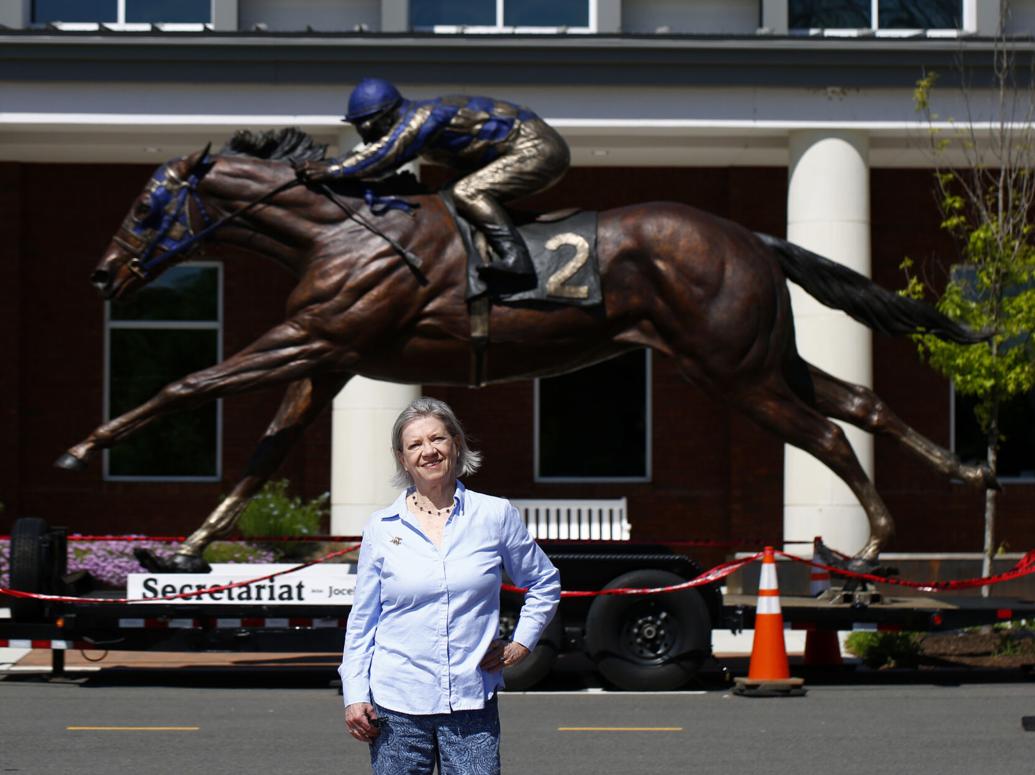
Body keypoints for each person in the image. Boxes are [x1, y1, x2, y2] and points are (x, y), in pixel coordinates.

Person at [340, 396, 561, 774]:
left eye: (437, 438)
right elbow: (363, 620)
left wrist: (521, 643)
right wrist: (355, 694)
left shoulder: (494, 515)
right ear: (402, 458)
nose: (428, 451)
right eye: (415, 444)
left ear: (456, 444)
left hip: (471, 701)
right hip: (397, 705)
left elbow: (544, 581)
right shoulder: (381, 528)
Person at [296, 77, 571, 292]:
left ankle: (516, 259)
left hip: (538, 149)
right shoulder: (419, 117)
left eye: (366, 127)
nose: (365, 136)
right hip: (517, 148)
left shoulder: (422, 118)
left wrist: (333, 169)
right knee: (445, 199)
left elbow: (385, 156)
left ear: (387, 115)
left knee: (467, 192)